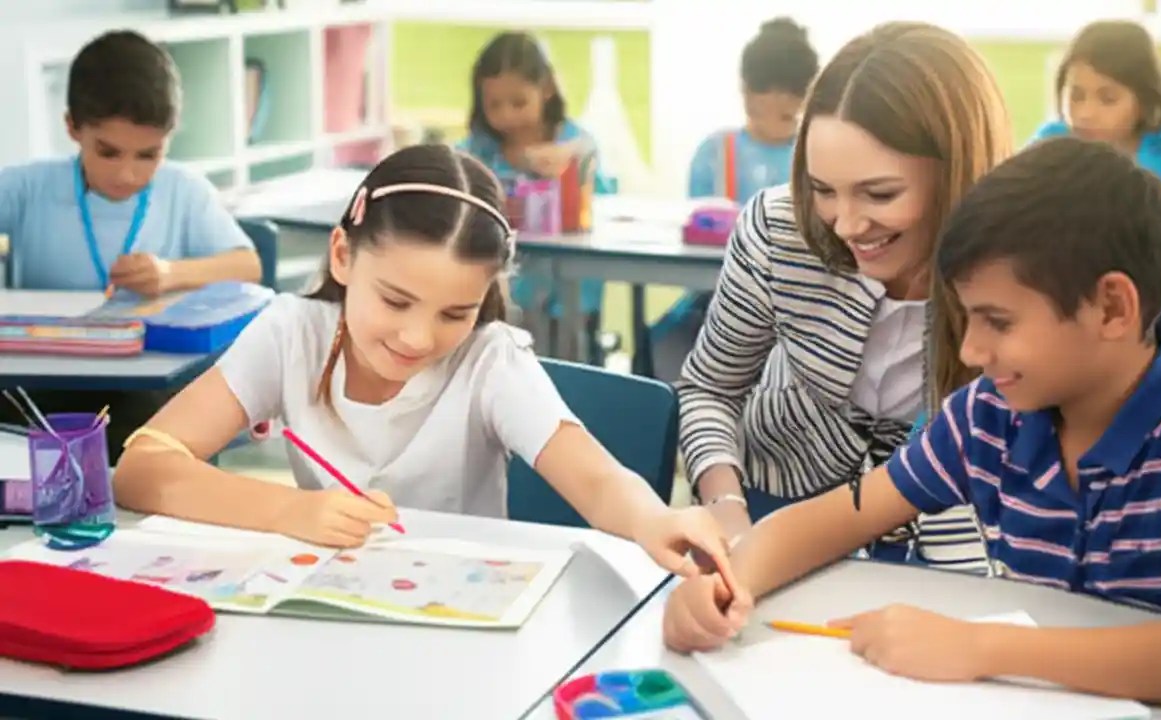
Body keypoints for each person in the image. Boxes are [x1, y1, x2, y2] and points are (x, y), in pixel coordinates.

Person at [663, 136, 1161, 711]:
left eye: (998, 321)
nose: (971, 352)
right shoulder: (988, 419)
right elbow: (826, 523)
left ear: (1112, 307)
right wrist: (725, 582)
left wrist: (978, 648)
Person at [113, 144, 734, 581]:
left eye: (454, 312)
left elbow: (597, 481)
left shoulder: (490, 361)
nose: (417, 337)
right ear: (342, 255)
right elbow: (142, 467)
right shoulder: (290, 333)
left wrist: (657, 518)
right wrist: (289, 511)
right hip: (328, 610)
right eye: (395, 300)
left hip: (461, 622)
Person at [679, 22, 1011, 572]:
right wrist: (726, 507)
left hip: (948, 548)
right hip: (771, 507)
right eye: (823, 189)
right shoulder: (777, 228)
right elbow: (709, 388)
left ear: (959, 172)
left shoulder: (1019, 269)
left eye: (879, 193)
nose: (847, 225)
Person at [0, 30, 261, 461]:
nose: (127, 174)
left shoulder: (183, 190)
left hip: (142, 386)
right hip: (43, 382)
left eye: (148, 155)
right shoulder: (29, 187)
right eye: (108, 152)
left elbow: (248, 265)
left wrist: (170, 275)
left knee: (145, 435)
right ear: (72, 128)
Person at [1031, 20, 1161, 345]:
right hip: (1063, 337)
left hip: (1151, 345)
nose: (1086, 113)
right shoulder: (1049, 147)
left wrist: (1121, 250)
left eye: (1107, 99)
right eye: (1076, 95)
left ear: (1144, 101)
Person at [650, 17, 821, 382]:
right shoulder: (715, 153)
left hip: (798, 309)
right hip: (715, 299)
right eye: (758, 112)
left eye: (786, 115)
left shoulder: (817, 156)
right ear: (743, 92)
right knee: (663, 343)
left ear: (808, 100)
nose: (770, 125)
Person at [458, 31, 610, 363]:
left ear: (547, 89)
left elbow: (603, 201)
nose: (507, 115)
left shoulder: (577, 143)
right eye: (494, 105)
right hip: (497, 301)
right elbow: (453, 181)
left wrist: (572, 166)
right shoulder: (478, 151)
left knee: (565, 376)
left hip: (567, 301)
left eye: (518, 102)